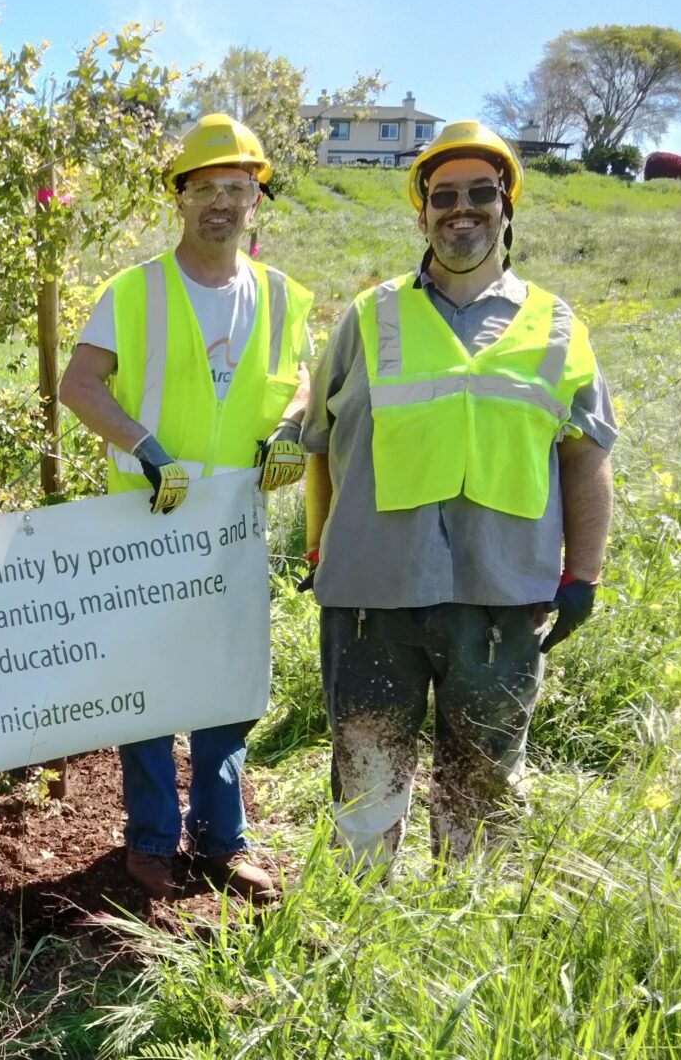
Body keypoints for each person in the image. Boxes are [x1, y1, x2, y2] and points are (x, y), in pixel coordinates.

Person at [302, 121, 615, 866]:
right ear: (422, 212)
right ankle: (359, 932)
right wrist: (319, 548)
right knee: (365, 782)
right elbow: (319, 446)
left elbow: (585, 457)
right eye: (444, 196)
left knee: (482, 793)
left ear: (507, 206)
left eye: (482, 192)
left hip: (503, 603)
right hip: (374, 598)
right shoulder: (369, 316)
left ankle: (459, 940)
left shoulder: (558, 326)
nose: (462, 210)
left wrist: (585, 577)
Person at [59, 113, 314, 903]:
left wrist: (289, 429)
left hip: (234, 524)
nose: (222, 203)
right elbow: (80, 385)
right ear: (180, 199)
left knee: (226, 683)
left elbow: (299, 381)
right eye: (205, 188)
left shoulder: (279, 296)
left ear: (256, 200)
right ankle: (148, 839)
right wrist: (145, 447)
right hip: (148, 517)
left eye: (237, 189)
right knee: (145, 683)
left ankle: (221, 839)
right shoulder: (132, 292)